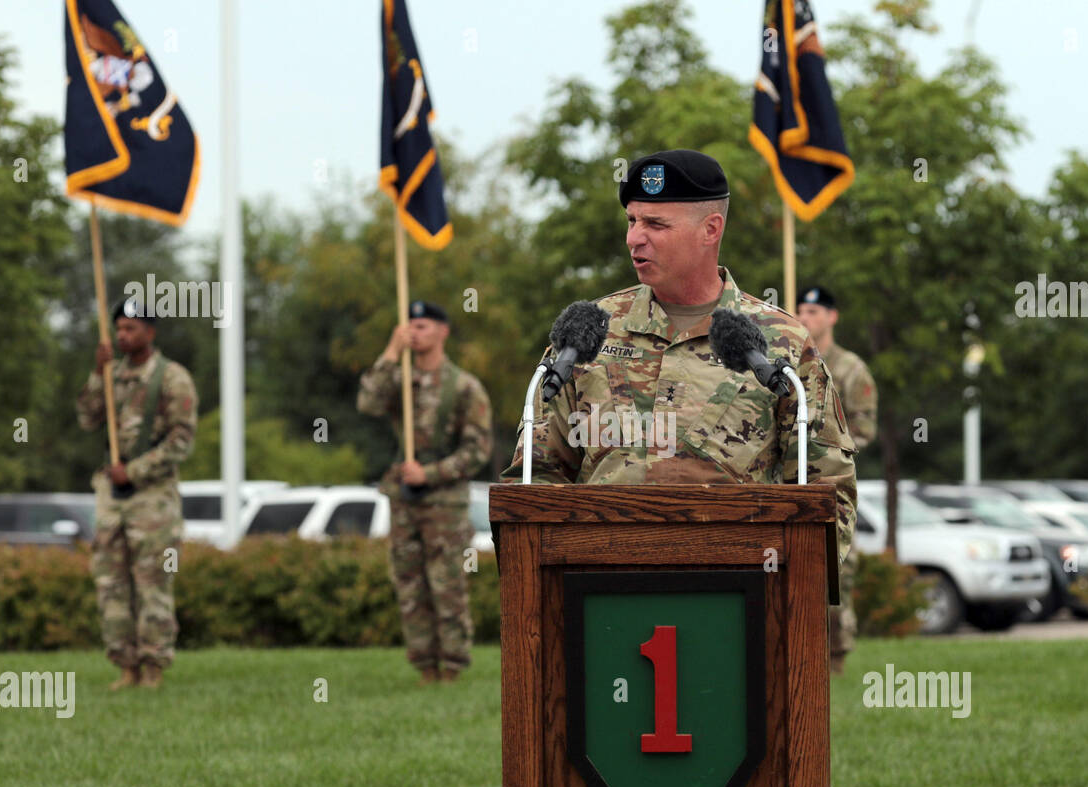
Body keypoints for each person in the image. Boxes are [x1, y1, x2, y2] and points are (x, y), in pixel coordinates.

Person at [500, 148, 857, 560]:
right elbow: (534, 479)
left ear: (710, 229)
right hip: (599, 593)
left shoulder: (781, 342)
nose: (635, 237)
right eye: (632, 221)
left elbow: (826, 493)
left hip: (740, 596)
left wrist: (795, 594)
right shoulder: (587, 333)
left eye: (655, 224)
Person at [358, 301, 492, 684]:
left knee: (446, 583)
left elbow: (478, 450)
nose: (414, 333)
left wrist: (430, 473)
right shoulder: (400, 380)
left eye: (422, 326)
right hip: (404, 499)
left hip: (444, 502)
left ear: (442, 332)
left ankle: (451, 666)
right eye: (410, 326)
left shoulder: (464, 387)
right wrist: (390, 351)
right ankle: (423, 665)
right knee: (410, 583)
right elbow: (367, 402)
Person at [77, 296, 198, 690]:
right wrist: (98, 374)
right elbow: (87, 419)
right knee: (111, 582)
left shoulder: (172, 377)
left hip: (153, 497)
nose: (123, 335)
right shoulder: (112, 375)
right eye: (120, 328)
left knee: (153, 582)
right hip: (113, 496)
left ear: (150, 331)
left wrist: (134, 470)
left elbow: (182, 441)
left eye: (131, 328)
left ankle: (153, 667)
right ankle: (125, 665)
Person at [797, 285, 877, 675]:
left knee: (838, 567)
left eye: (813, 311)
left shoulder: (850, 369)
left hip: (833, 482)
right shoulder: (789, 360)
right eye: (800, 311)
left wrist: (828, 448)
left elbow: (865, 429)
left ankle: (836, 658)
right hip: (793, 481)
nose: (806, 317)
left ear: (832, 316)